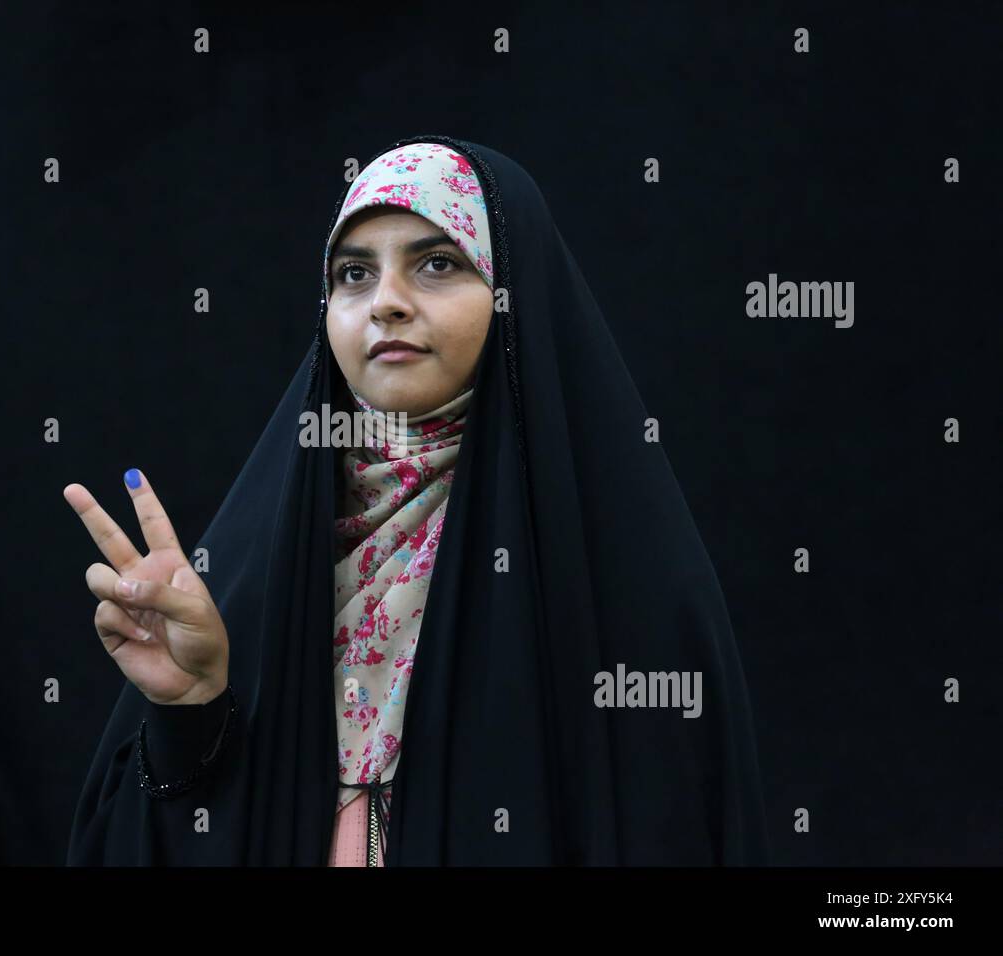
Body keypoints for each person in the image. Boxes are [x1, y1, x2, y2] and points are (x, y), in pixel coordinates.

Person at [62, 135, 770, 866]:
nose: (387, 303)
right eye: (353, 274)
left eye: (438, 263)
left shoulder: (623, 579)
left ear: (512, 289)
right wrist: (189, 714)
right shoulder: (252, 569)